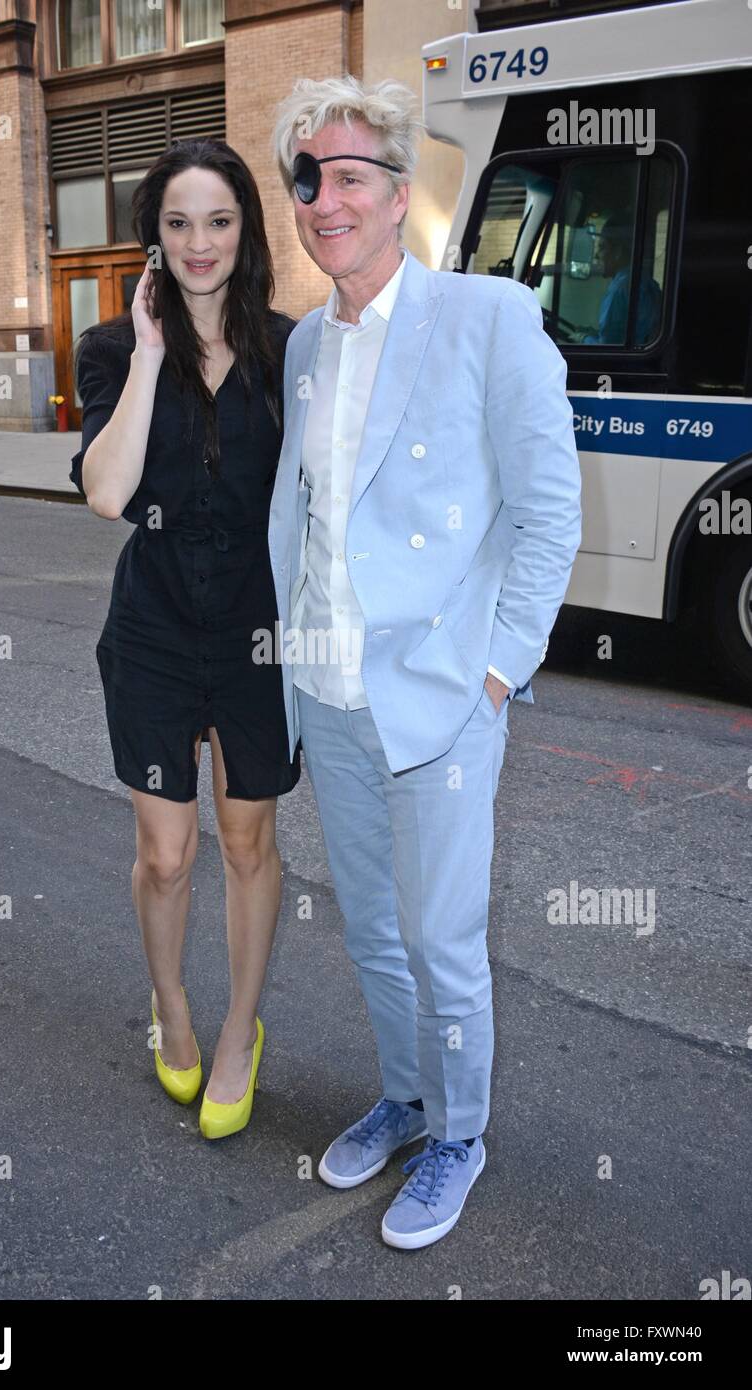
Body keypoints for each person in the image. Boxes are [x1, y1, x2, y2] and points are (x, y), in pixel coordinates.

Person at [269, 76, 582, 1248]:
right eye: (308, 180)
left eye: (350, 175)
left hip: (445, 699)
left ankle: (459, 1128)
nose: (325, 199)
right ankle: (405, 1095)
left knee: (442, 937)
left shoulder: (488, 318)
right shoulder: (307, 343)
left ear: (400, 193)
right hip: (331, 692)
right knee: (369, 926)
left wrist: (497, 672)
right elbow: (299, 518)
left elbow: (550, 514)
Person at [70, 139, 301, 1141]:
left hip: (258, 636)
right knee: (165, 856)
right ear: (153, 238)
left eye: (218, 220)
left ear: (244, 229)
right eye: (178, 222)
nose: (199, 241)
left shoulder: (290, 349)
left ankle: (241, 1032)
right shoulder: (111, 351)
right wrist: (154, 354)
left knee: (249, 843)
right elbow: (108, 491)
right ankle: (172, 1008)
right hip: (155, 631)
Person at [583, 212, 662, 345]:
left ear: (618, 252)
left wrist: (583, 339)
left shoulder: (619, 289)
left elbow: (607, 349)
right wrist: (594, 334)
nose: (596, 256)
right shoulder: (645, 281)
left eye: (602, 247)